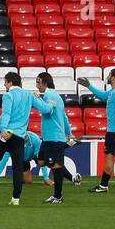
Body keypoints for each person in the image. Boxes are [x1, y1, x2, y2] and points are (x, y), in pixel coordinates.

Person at [0, 71, 33, 205]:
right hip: (18, 136)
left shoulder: (8, 95)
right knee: (17, 167)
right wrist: (50, 106)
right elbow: (44, 108)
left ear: (10, 82)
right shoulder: (29, 95)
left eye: (5, 82)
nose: (4, 84)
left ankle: (1, 149)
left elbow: (6, 113)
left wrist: (5, 130)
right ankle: (16, 198)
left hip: (5, 134)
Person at [31, 71, 75, 204]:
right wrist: (69, 133)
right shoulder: (57, 96)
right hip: (51, 137)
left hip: (53, 137)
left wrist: (36, 99)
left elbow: (47, 110)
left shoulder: (49, 95)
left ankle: (58, 196)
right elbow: (64, 117)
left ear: (45, 82)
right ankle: (71, 179)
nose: (37, 85)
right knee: (41, 161)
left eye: (38, 82)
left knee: (55, 166)